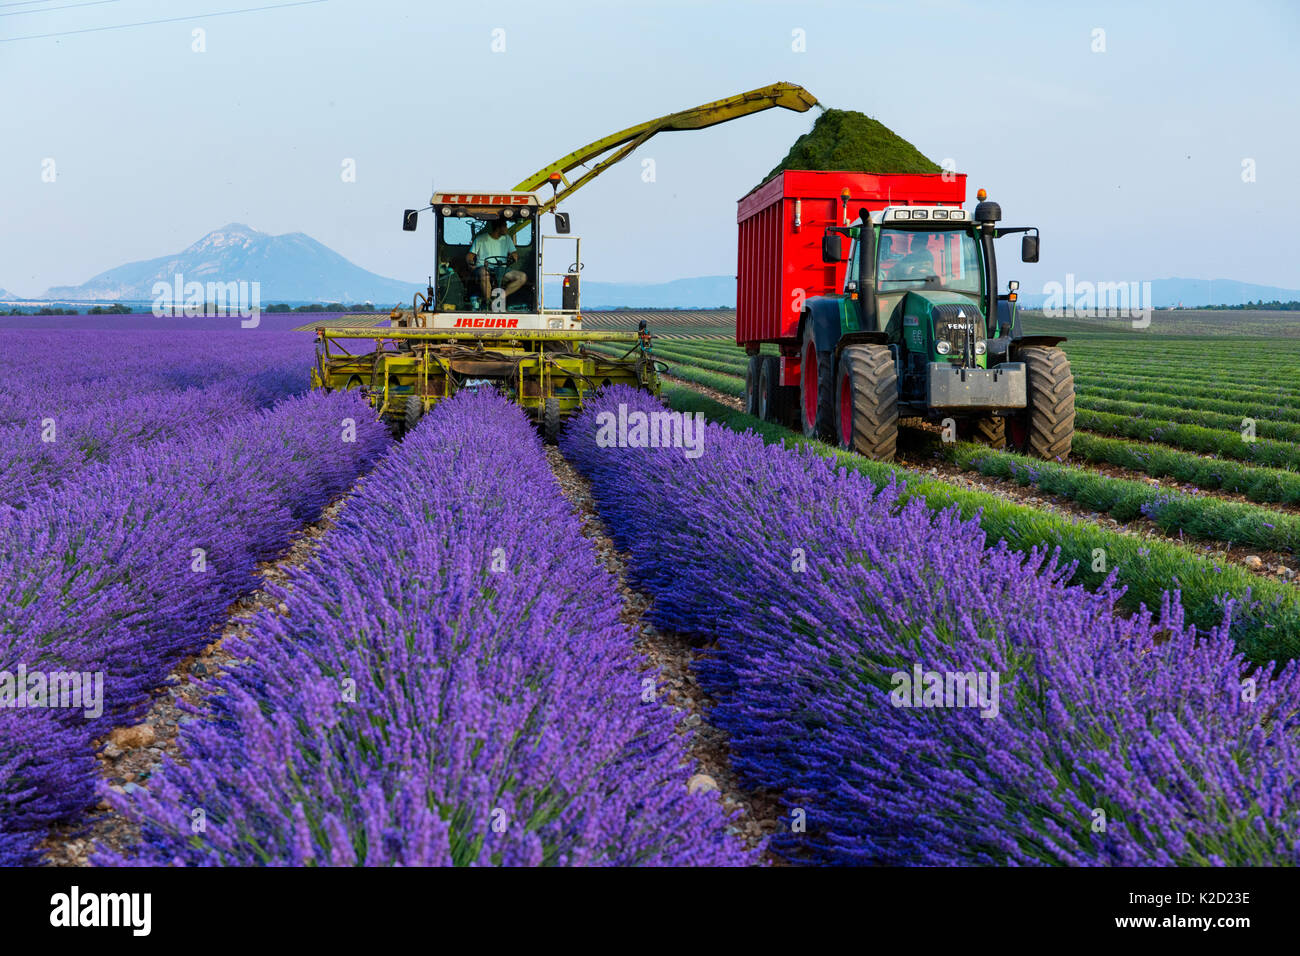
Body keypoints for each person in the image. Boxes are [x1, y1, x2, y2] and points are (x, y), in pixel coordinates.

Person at [466, 219, 527, 309]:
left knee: (522, 277)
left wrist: (513, 257)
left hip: (502, 269)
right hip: (483, 267)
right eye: (505, 226)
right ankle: (488, 302)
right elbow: (470, 256)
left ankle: (500, 297)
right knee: (484, 273)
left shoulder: (507, 238)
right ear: (499, 228)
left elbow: (514, 253)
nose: (507, 228)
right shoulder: (481, 239)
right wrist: (471, 264)